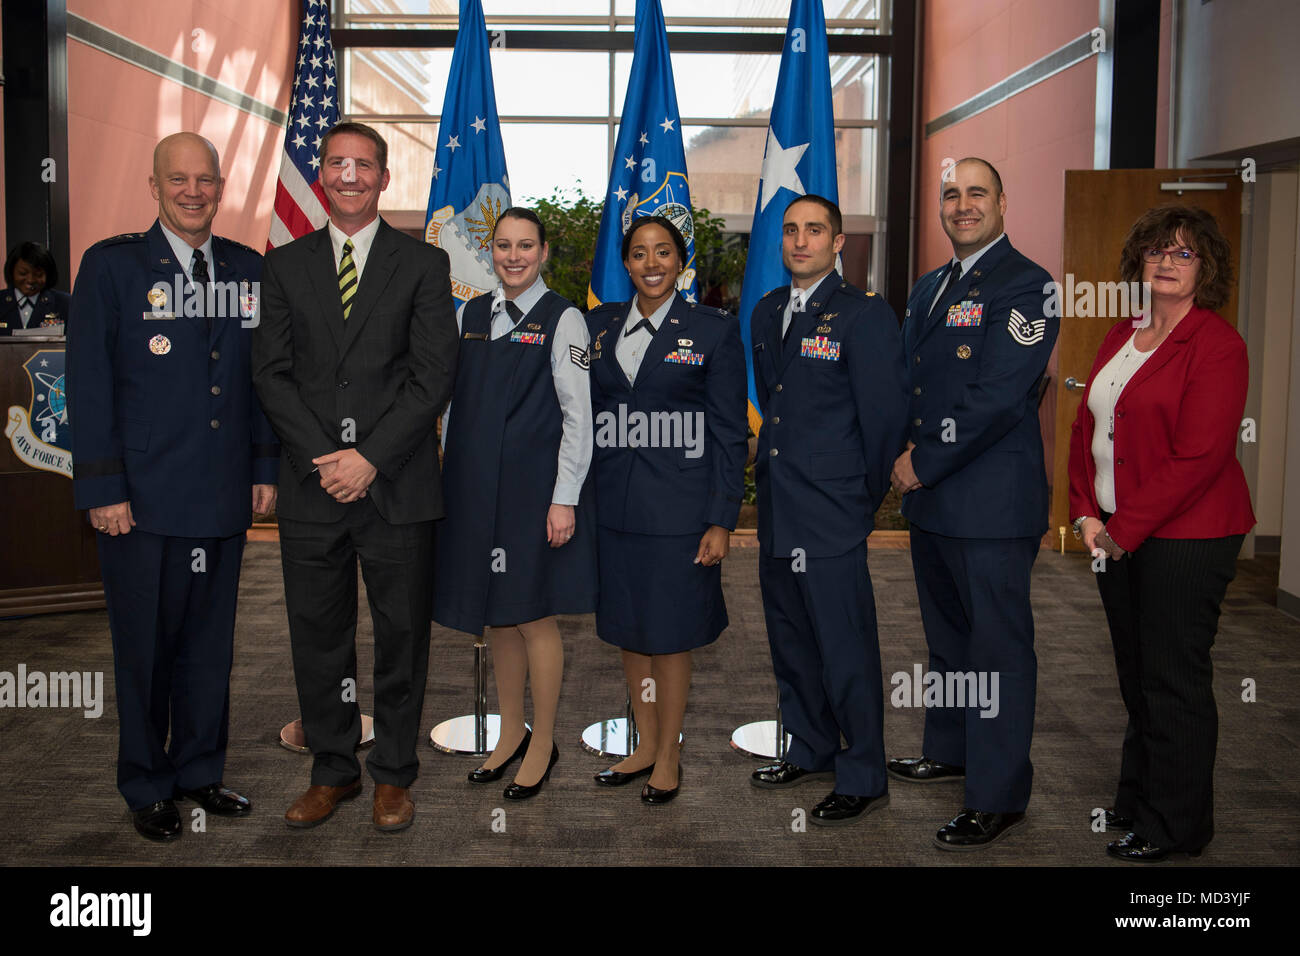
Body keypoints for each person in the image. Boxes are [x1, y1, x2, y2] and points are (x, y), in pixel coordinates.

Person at [66, 132, 279, 842]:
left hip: (219, 495)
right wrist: (102, 488)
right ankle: (146, 782)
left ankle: (199, 771)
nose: (194, 192)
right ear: (154, 186)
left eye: (206, 180)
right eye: (178, 179)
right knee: (144, 648)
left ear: (221, 187)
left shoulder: (247, 271)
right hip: (142, 501)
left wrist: (261, 468)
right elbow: (90, 388)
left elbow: (257, 385)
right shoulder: (112, 267)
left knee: (209, 645)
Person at [252, 122, 458, 832]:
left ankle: (394, 774)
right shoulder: (282, 265)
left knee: (402, 637)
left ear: (383, 176)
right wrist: (327, 458)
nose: (349, 175)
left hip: (395, 486)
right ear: (320, 175)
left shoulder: (424, 266)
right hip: (313, 488)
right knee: (319, 636)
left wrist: (368, 458)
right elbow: (271, 376)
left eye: (363, 165)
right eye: (337, 163)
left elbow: (433, 377)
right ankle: (333, 769)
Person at [1067, 205, 1254, 862]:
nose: (1165, 262)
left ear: (1207, 267)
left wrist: (1125, 530)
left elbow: (1200, 457)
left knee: (1172, 679)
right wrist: (1087, 511)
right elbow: (1088, 427)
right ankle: (1138, 797)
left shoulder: (1217, 345)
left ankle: (1176, 825)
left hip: (1187, 539)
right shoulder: (1125, 332)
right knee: (1136, 672)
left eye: (1182, 253)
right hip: (1117, 535)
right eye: (1154, 250)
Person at [888, 157, 1057, 850]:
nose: (962, 205)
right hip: (934, 506)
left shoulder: (1028, 285)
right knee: (950, 644)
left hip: (989, 505)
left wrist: (921, 463)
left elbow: (998, 397)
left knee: (997, 652)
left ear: (1002, 203)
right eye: (951, 195)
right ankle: (952, 751)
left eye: (976, 193)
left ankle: (997, 795)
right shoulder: (931, 286)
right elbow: (912, 385)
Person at [747, 195, 908, 825]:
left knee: (846, 649)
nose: (800, 241)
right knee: (791, 640)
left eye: (815, 231)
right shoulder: (765, 314)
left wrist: (857, 502)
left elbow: (884, 421)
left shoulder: (864, 317)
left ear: (838, 243)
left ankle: (863, 772)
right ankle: (810, 746)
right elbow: (776, 407)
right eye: (790, 231)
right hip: (780, 509)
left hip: (833, 512)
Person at [434, 207, 595, 799]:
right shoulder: (471, 314)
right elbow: (451, 407)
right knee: (497, 614)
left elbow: (579, 416)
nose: (514, 256)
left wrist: (564, 499)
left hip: (534, 497)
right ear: (490, 252)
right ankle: (510, 734)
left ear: (544, 252)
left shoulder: (565, 320)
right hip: (476, 494)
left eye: (526, 245)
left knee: (533, 614)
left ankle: (545, 741)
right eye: (503, 245)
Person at [586, 215, 747, 803]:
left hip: (680, 516)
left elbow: (730, 432)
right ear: (624, 264)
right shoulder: (598, 327)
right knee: (632, 633)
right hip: (615, 511)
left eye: (662, 253)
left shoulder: (712, 331)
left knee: (671, 636)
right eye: (638, 254)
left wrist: (722, 517)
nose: (650, 264)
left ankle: (670, 754)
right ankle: (645, 742)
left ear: (680, 262)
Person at [1, 242, 71, 333]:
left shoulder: (65, 304)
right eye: (23, 273)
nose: (31, 280)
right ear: (11, 272)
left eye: (38, 275)